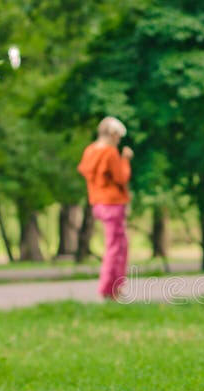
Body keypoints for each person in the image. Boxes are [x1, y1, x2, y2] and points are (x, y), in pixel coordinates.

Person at [78, 116, 134, 300]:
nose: (118, 140)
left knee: (116, 246)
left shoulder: (90, 151)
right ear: (111, 134)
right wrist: (125, 159)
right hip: (113, 203)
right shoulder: (110, 153)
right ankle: (109, 290)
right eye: (118, 136)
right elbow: (121, 178)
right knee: (116, 248)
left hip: (98, 203)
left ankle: (112, 289)